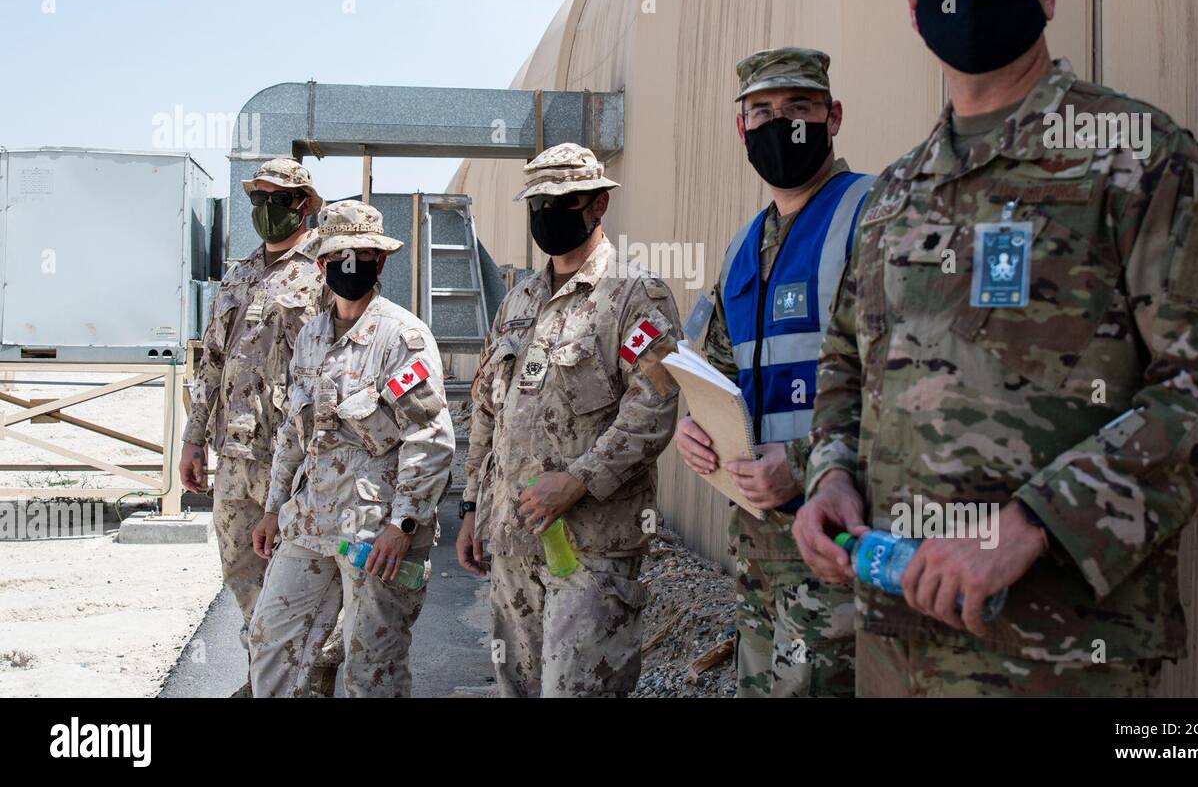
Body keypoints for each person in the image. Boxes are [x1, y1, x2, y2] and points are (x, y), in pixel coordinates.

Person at [795, 0, 1198, 697]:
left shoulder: (1137, 158)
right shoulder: (894, 194)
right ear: (914, 2)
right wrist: (830, 476)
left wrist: (1036, 522)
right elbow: (846, 362)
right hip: (892, 641)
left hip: (1056, 658)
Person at [674, 47, 870, 697]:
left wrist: (810, 458)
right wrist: (695, 431)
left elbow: (912, 387)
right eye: (762, 111)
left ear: (832, 116)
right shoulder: (742, 244)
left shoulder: (873, 216)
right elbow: (714, 373)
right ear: (741, 128)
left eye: (799, 108)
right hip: (758, 541)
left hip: (839, 534)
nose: (780, 124)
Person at [456, 143, 682, 697]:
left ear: (598, 204)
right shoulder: (518, 301)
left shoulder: (635, 296)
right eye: (537, 202)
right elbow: (488, 408)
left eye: (563, 200)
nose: (547, 214)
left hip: (592, 548)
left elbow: (655, 405)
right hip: (513, 543)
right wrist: (470, 508)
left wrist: (579, 479)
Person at [247, 201, 454, 697]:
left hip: (375, 535)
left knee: (372, 662)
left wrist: (402, 525)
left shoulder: (403, 337)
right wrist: (274, 507)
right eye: (337, 255)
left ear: (379, 262)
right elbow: (294, 433)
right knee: (270, 636)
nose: (349, 265)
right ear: (320, 265)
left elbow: (429, 439)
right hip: (310, 523)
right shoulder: (311, 337)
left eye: (361, 254)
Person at [177, 157, 328, 696]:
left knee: (298, 581)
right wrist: (193, 439)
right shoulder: (240, 272)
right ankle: (263, 678)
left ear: (302, 204)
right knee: (242, 575)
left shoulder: (324, 270)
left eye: (276, 199)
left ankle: (307, 681)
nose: (264, 209)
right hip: (234, 455)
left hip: (295, 461)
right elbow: (212, 363)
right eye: (257, 200)